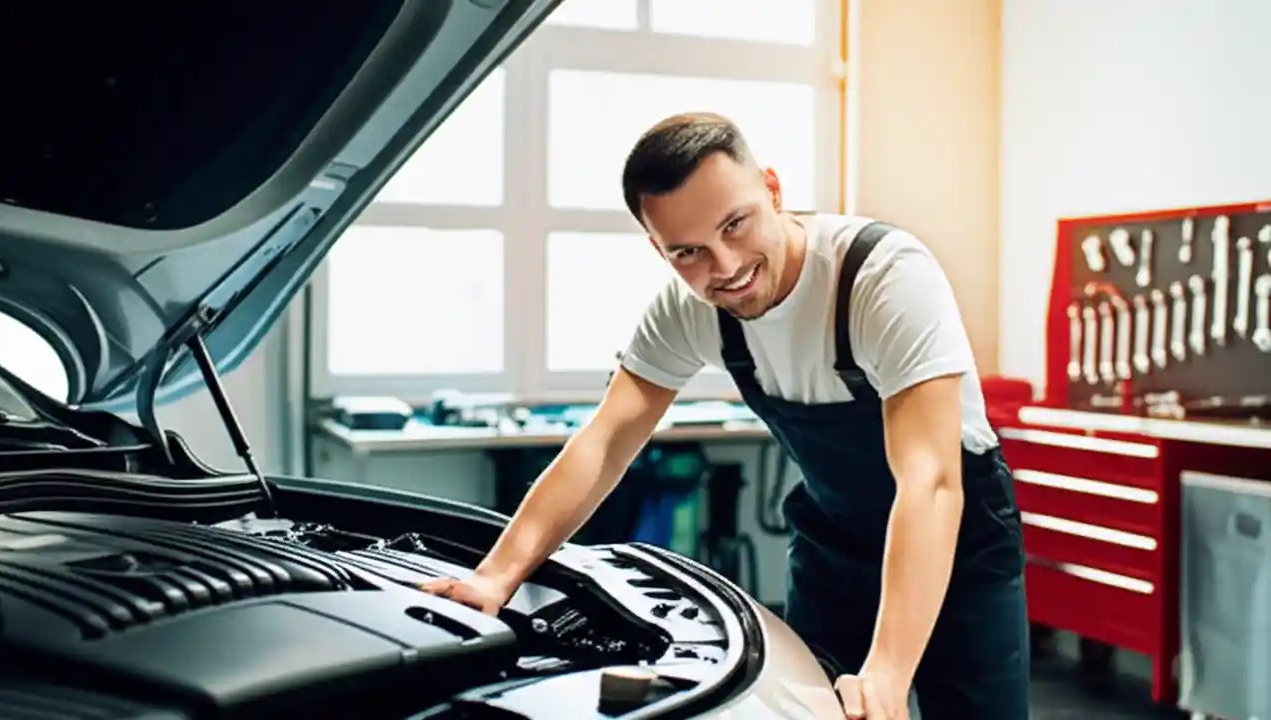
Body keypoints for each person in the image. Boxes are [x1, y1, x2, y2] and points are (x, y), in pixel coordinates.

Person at [421, 112, 1030, 719]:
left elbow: (931, 482)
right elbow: (604, 443)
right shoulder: (690, 311)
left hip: (957, 541)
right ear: (658, 249)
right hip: (836, 543)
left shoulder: (882, 276)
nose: (727, 267)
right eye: (688, 252)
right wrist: (495, 576)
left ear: (772, 189)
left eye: (735, 225)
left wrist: (889, 672)